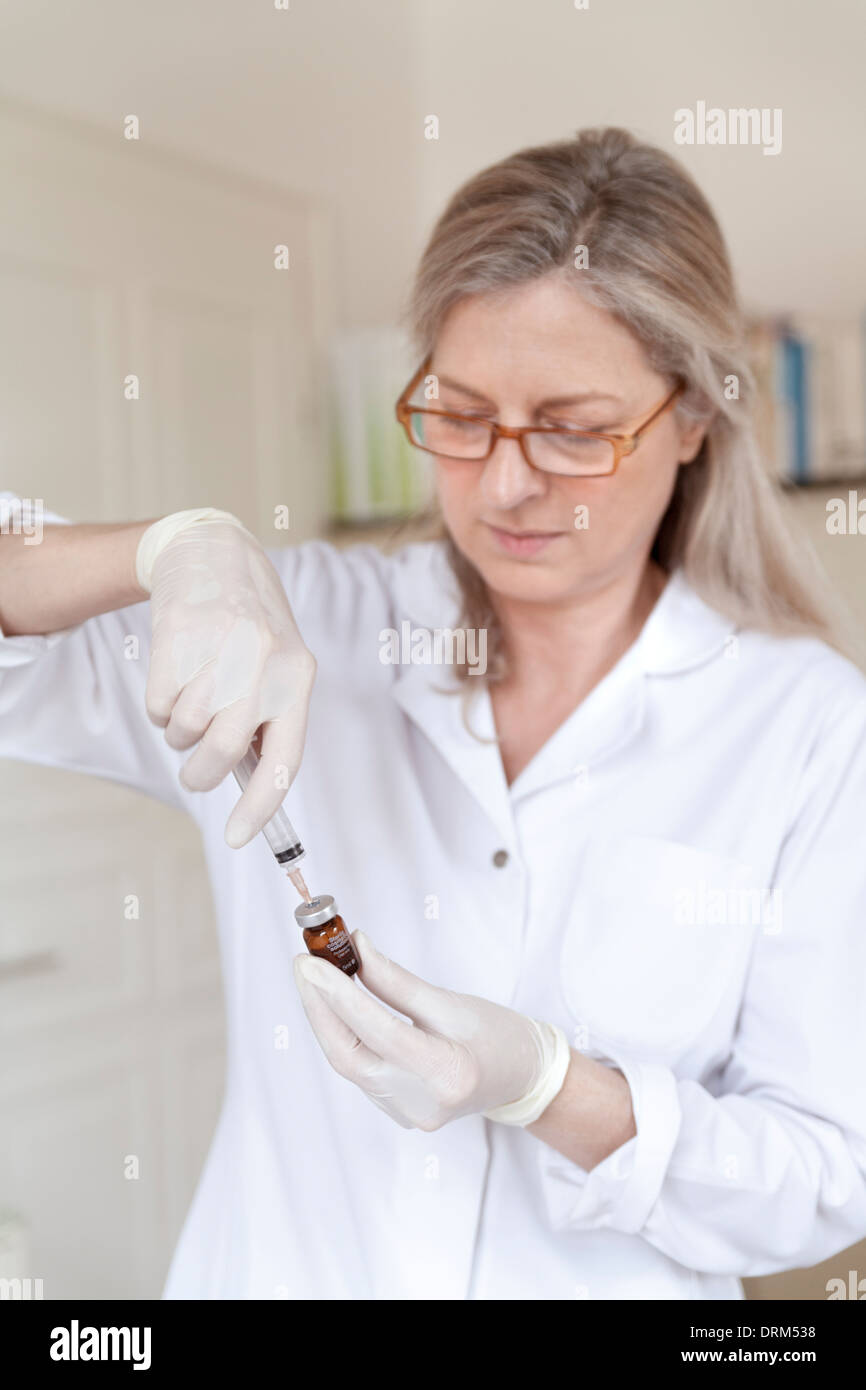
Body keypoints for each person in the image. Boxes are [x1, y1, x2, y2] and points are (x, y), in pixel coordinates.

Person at [2, 126, 866, 1301]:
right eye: (458, 415)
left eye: (570, 428)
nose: (505, 483)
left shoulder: (806, 728)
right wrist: (172, 546)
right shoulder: (291, 626)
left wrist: (544, 1085)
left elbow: (820, 1175)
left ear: (693, 419)